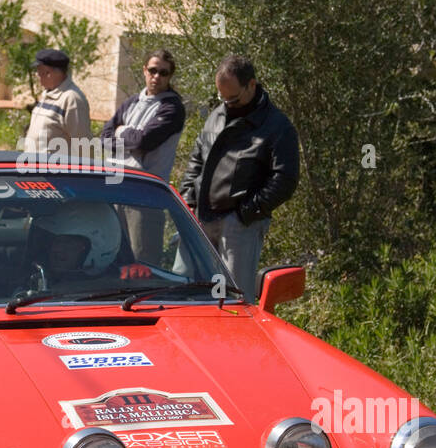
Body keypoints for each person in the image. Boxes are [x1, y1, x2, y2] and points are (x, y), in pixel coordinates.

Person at [180, 54, 299, 302]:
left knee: (234, 298)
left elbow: (285, 179)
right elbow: (197, 158)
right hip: (201, 217)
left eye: (233, 98)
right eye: (222, 97)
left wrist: (248, 212)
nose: (227, 103)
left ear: (252, 85)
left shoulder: (277, 126)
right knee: (185, 289)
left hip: (240, 225)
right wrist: (187, 197)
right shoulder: (217, 114)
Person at [101, 48, 186, 263]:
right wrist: (126, 136)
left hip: (144, 194)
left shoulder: (172, 108)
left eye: (163, 73)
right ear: (144, 70)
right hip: (116, 187)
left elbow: (144, 142)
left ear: (170, 76)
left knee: (142, 261)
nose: (157, 76)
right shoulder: (131, 102)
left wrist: (121, 131)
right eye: (153, 70)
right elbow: (104, 137)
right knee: (114, 256)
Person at [23, 48, 91, 156]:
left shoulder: (72, 99)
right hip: (34, 169)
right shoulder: (48, 94)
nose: (37, 75)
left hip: (54, 171)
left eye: (40, 72)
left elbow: (83, 147)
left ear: (49, 73)